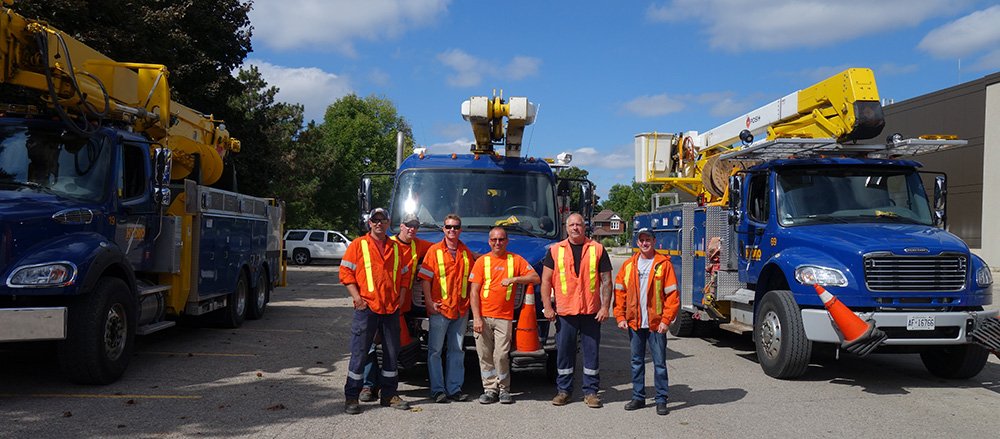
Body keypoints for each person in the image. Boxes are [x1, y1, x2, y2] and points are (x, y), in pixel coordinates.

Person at [340, 208, 410, 415]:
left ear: (389, 223)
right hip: (367, 308)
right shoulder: (358, 245)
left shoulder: (396, 248)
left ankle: (388, 395)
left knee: (390, 354)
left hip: (390, 309)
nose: (379, 223)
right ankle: (352, 397)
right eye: (375, 220)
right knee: (360, 354)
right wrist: (357, 298)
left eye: (383, 220)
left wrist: (402, 299)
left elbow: (405, 276)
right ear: (370, 223)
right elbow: (345, 272)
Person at [540, 212, 613, 408]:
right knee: (564, 352)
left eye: (578, 224)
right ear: (566, 227)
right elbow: (546, 281)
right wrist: (547, 306)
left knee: (591, 353)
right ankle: (564, 391)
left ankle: (591, 392)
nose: (575, 228)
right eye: (571, 225)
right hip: (565, 312)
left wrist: (605, 307)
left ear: (584, 227)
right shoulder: (555, 250)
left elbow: (606, 281)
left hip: (591, 311)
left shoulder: (597, 249)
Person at [358, 213, 433, 403]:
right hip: (378, 304)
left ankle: (385, 389)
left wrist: (475, 256)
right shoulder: (388, 245)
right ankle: (368, 385)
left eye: (415, 226)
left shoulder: (418, 244)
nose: (412, 229)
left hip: (402, 307)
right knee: (372, 344)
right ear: (400, 226)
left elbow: (441, 248)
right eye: (408, 225)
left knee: (392, 349)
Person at [469, 227, 540, 405]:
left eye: (501, 239)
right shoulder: (482, 262)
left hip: (504, 317)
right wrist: (476, 317)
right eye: (494, 239)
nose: (497, 243)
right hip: (483, 317)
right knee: (484, 355)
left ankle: (504, 389)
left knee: (501, 355)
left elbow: (535, 277)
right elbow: (474, 292)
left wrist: (515, 279)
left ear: (507, 241)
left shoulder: (515, 260)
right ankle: (490, 390)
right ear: (489, 241)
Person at [614, 227, 679, 416]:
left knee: (659, 363)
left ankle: (661, 400)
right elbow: (620, 293)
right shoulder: (628, 265)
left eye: (647, 239)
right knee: (636, 362)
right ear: (637, 242)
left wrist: (666, 320)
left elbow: (672, 296)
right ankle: (638, 397)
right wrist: (619, 316)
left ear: (654, 240)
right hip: (634, 323)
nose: (644, 243)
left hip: (656, 324)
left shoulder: (663, 265)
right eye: (641, 239)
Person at [418, 213, 475, 403]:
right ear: (443, 229)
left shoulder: (466, 253)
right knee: (434, 350)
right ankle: (437, 390)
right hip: (440, 309)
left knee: (456, 350)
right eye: (449, 227)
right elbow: (425, 279)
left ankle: (454, 389)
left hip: (460, 310)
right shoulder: (434, 251)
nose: (452, 230)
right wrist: (429, 302)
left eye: (456, 227)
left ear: (460, 229)